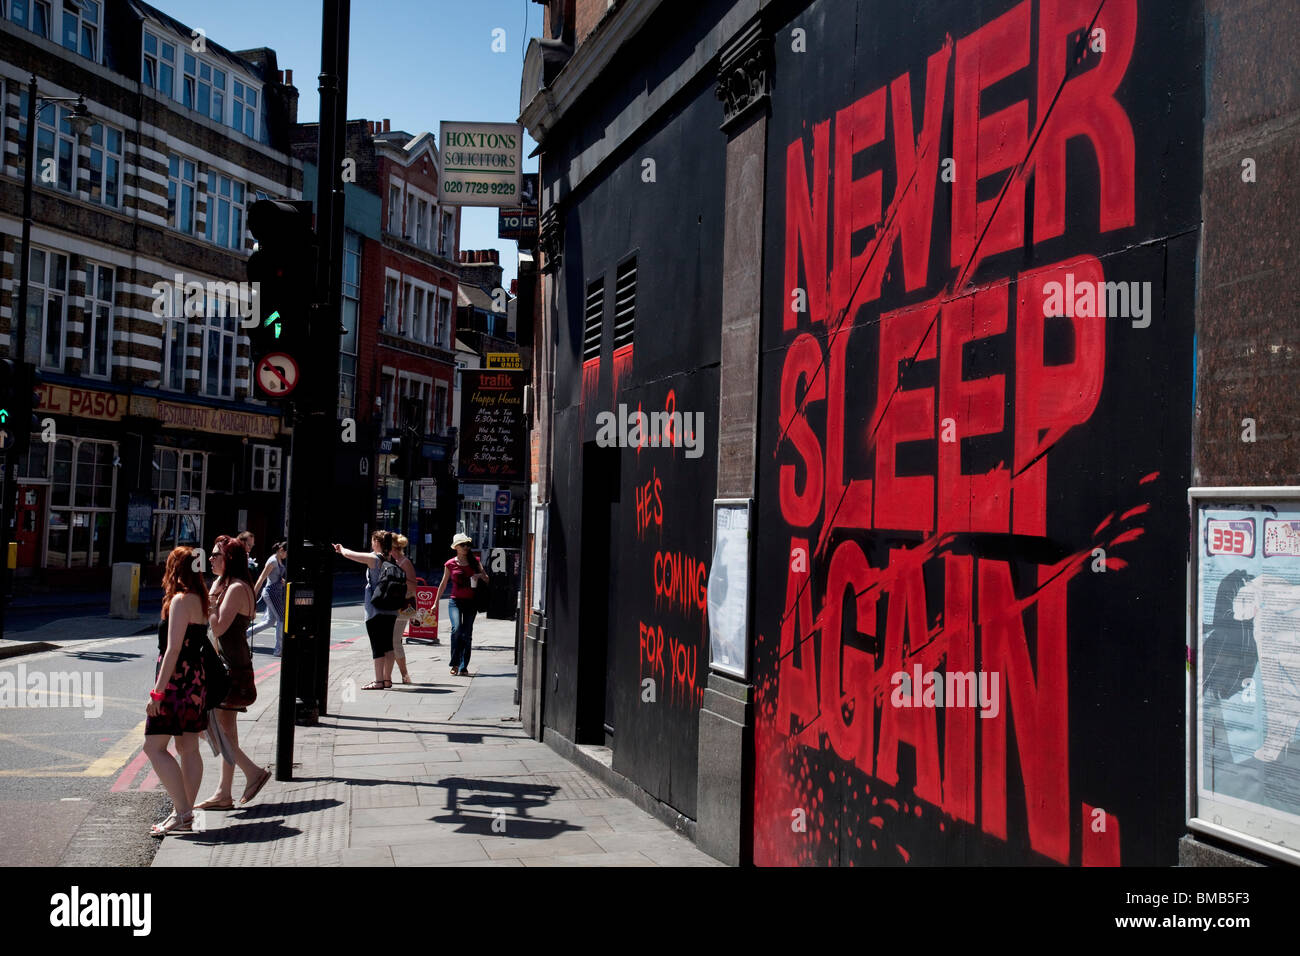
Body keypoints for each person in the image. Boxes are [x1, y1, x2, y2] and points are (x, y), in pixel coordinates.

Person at [196, 535, 271, 810]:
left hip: (231, 669)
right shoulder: (221, 583)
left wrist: (209, 606)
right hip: (219, 665)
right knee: (225, 729)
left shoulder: (238, 588)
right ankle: (224, 792)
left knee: (209, 728)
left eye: (216, 555)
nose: (211, 559)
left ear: (229, 558)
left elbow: (216, 628)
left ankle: (252, 772)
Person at [144, 547, 210, 836]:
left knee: (153, 747)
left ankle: (183, 812)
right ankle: (184, 813)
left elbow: (172, 649)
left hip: (176, 682)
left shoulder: (180, 601)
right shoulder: (200, 599)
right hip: (195, 681)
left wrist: (157, 693)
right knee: (188, 748)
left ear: (176, 569)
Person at [334, 531, 398, 689]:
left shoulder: (374, 559)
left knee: (377, 646)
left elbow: (350, 554)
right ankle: (387, 679)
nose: (371, 544)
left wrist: (341, 549)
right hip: (391, 608)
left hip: (375, 609)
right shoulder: (392, 559)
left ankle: (378, 681)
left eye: (372, 541)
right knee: (388, 645)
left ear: (377, 542)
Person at [434, 533, 489, 676]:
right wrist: (436, 603)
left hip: (471, 602)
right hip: (455, 601)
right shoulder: (450, 564)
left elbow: (487, 579)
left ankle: (464, 666)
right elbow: (443, 583)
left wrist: (479, 576)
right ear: (456, 547)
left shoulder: (475, 561)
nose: (466, 547)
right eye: (462, 545)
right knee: (456, 629)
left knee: (467, 634)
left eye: (467, 545)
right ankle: (455, 663)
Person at [389, 533, 418, 683]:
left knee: (394, 641)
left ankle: (405, 675)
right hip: (391, 605)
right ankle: (388, 675)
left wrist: (398, 580)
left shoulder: (404, 562)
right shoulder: (393, 561)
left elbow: (413, 585)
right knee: (390, 641)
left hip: (402, 607)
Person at [251, 541, 288, 656]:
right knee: (281, 618)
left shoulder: (279, 560)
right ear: (281, 550)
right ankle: (279, 649)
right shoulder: (272, 561)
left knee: (270, 622)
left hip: (276, 593)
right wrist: (253, 596)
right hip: (271, 593)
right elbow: (261, 578)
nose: (287, 555)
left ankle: (245, 634)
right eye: (286, 552)